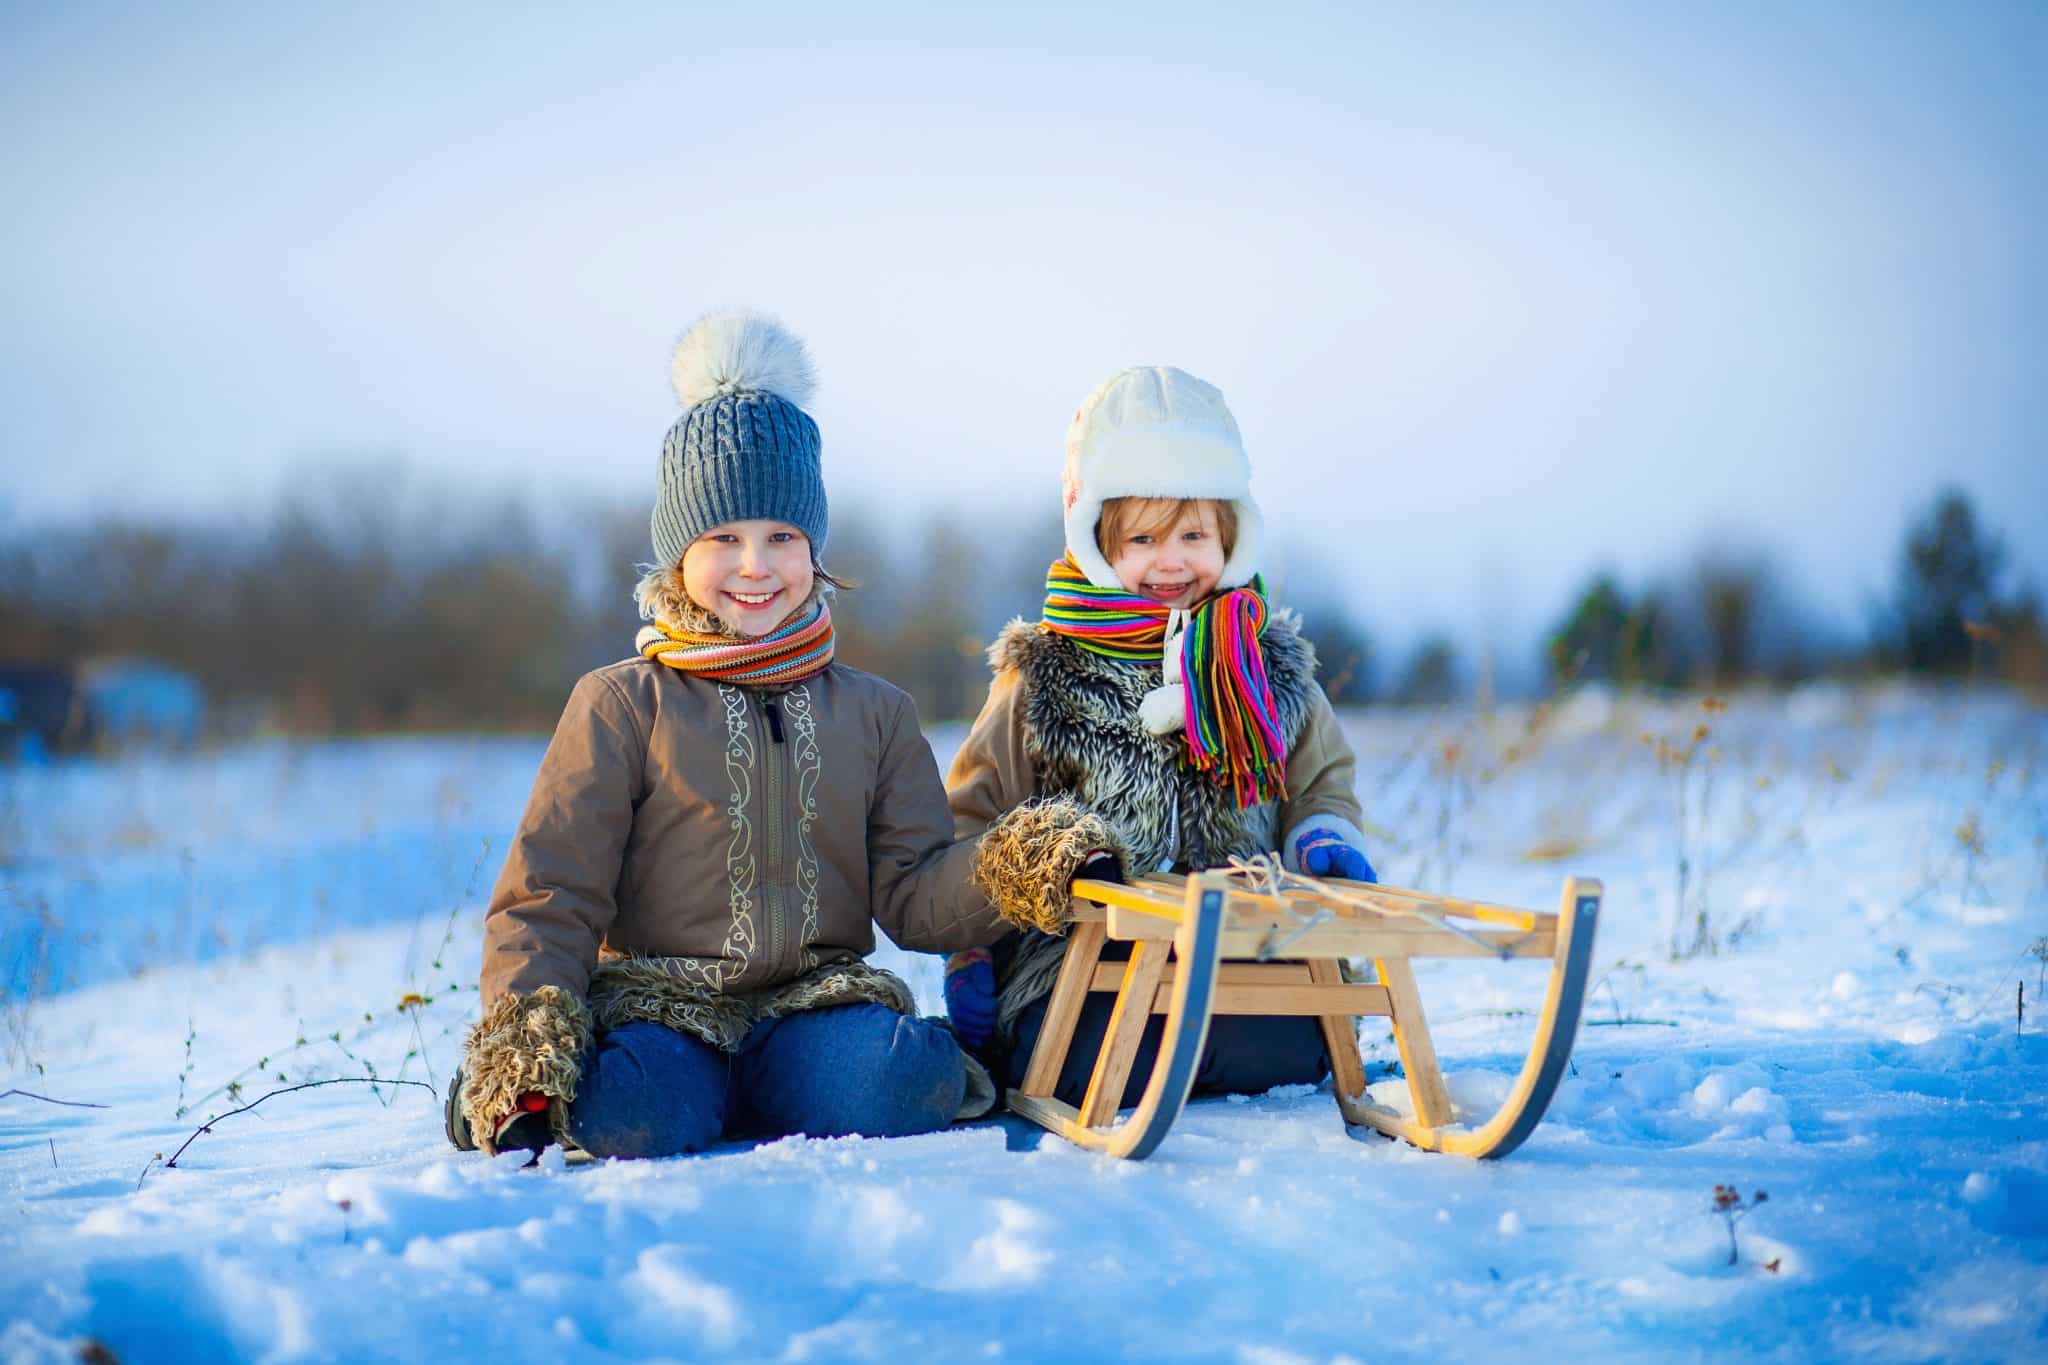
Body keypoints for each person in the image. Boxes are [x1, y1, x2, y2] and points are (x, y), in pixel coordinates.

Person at [448, 312, 1002, 1159]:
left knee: (908, 1079)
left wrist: (1014, 864)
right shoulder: (622, 703)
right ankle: (567, 1093)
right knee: (627, 1111)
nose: (755, 565)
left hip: (812, 1009)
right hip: (660, 1008)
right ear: (679, 554)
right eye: (725, 537)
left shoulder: (875, 712)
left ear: (814, 550)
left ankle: (786, 1089)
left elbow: (916, 890)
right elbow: (551, 893)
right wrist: (525, 1042)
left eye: (782, 536)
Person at [941, 365, 1376, 1109]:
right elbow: (974, 815)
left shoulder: (1267, 662)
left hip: (1240, 957)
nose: (1171, 561)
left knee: (1293, 1043)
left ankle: (1237, 1046)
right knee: (1099, 1048)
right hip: (1084, 963)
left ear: (1232, 536)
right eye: (1142, 538)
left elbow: (1320, 778)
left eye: (1193, 535)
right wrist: (970, 947)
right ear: (1097, 541)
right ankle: (1077, 1051)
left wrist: (1321, 833)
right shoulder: (1044, 672)